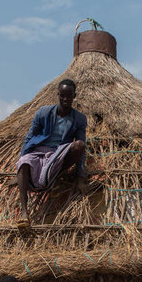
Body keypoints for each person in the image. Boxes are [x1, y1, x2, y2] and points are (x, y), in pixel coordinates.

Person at [15, 78, 88, 228]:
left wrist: (80, 177)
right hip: (39, 150)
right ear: (58, 94)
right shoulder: (43, 113)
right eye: (62, 95)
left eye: (69, 96)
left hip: (59, 152)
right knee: (24, 163)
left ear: (74, 96)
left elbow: (82, 148)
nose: (65, 99)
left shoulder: (79, 119)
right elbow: (29, 137)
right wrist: (21, 159)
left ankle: (56, 174)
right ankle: (24, 212)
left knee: (79, 145)